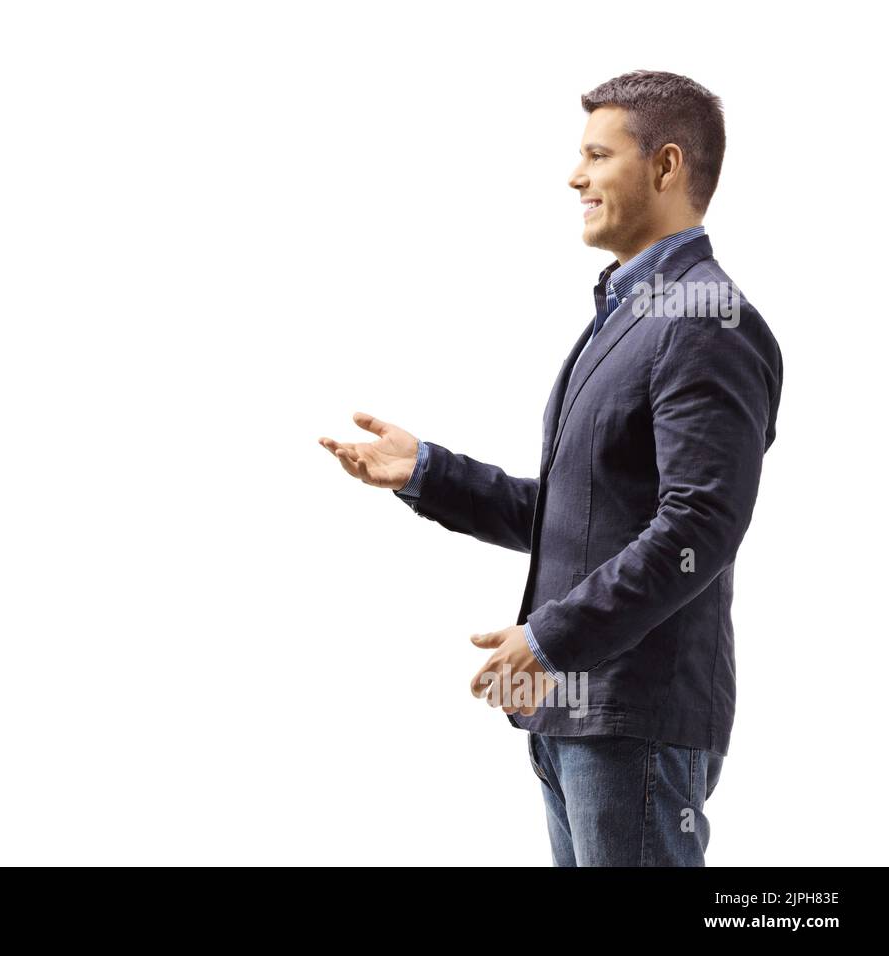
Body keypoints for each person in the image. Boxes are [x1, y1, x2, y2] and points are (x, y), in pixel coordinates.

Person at [319, 71, 783, 866]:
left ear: (666, 167)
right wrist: (427, 471)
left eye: (597, 156)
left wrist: (552, 640)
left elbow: (700, 526)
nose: (575, 176)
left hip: (632, 717)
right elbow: (582, 510)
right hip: (578, 716)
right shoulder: (633, 314)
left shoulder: (708, 322)